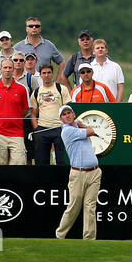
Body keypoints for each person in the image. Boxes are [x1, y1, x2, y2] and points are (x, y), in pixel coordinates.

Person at [55, 104, 101, 240]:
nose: (67, 115)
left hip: (94, 172)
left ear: (74, 115)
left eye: (69, 113)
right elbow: (91, 131)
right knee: (73, 207)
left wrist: (79, 124)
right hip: (78, 173)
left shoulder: (77, 127)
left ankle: (89, 239)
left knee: (90, 207)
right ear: (61, 119)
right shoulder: (67, 131)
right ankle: (60, 235)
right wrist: (81, 124)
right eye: (64, 114)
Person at [0, 58, 30, 165]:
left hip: (17, 133)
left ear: (13, 69)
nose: (7, 70)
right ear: (0, 69)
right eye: (5, 67)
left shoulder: (22, 89)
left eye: (10, 67)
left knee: (19, 164)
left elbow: (25, 110)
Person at [31, 64, 71, 165]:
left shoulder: (61, 89)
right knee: (41, 162)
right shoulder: (36, 92)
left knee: (62, 161)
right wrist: (36, 129)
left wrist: (66, 127)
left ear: (52, 74)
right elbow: (33, 113)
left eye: (49, 72)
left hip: (59, 128)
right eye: (44, 73)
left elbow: (68, 110)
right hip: (42, 129)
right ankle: (44, 181)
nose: (46, 75)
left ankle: (61, 180)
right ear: (40, 75)